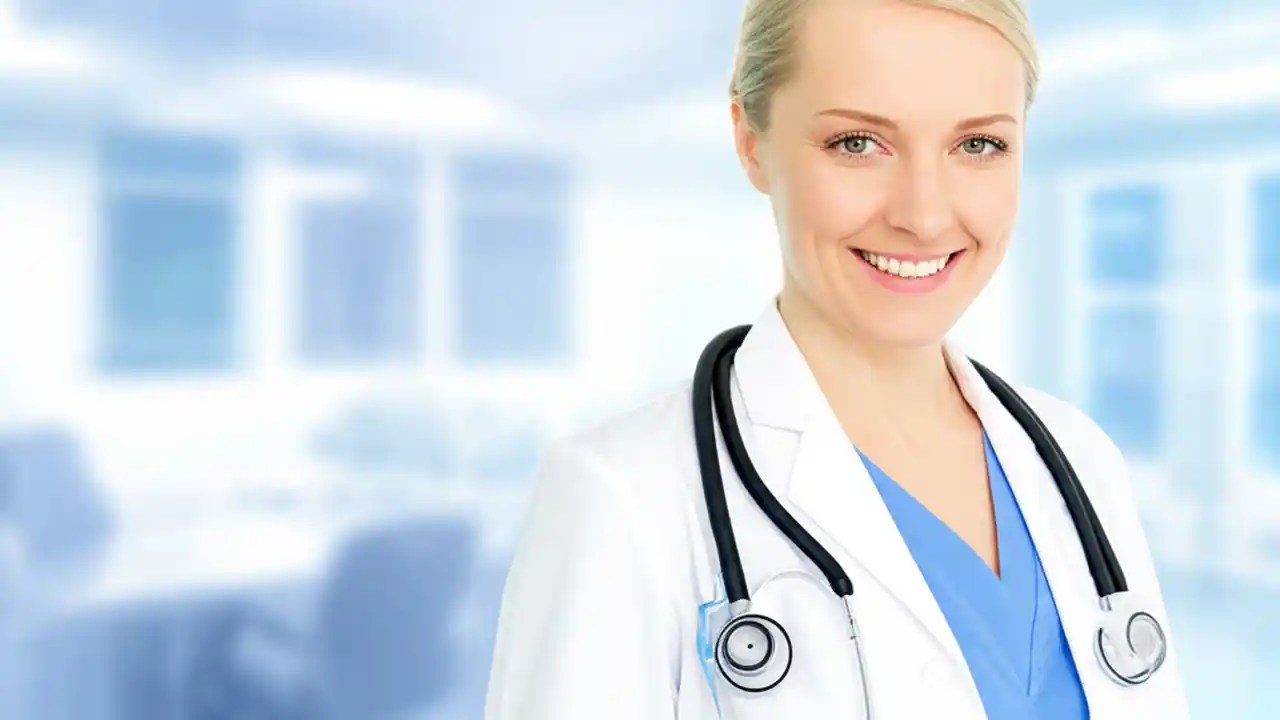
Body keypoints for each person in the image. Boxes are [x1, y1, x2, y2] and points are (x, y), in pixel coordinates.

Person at [485, 0, 1191, 717]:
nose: (923, 214)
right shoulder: (624, 496)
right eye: (857, 142)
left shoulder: (1079, 463)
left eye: (977, 145)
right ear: (750, 141)